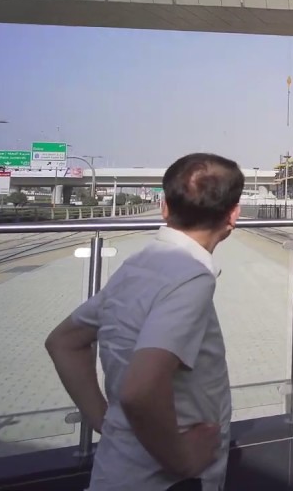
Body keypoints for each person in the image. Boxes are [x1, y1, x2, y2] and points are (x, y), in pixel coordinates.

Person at [45, 153, 244, 490]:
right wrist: (182, 459)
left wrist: (105, 421)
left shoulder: (137, 266)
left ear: (164, 208)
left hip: (118, 465)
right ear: (234, 214)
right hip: (167, 479)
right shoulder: (191, 278)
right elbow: (141, 390)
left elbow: (63, 342)